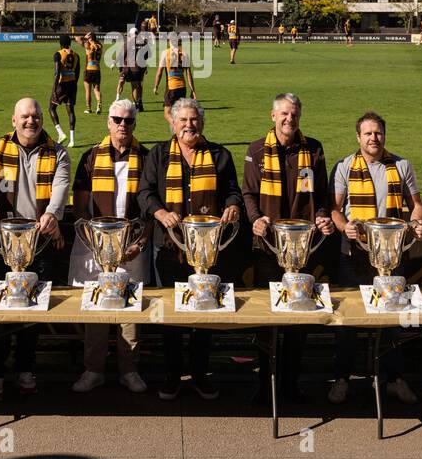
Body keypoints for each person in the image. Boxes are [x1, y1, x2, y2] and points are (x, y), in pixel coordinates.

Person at [137, 97, 243, 401]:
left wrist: (233, 206)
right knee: (170, 314)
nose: (189, 125)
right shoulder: (158, 154)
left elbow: (233, 191)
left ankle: (199, 375)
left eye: (194, 120)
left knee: (202, 316)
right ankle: (172, 375)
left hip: (206, 252)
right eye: (182, 120)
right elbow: (144, 193)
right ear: (172, 122)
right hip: (168, 248)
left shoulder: (220, 155)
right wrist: (159, 212)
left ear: (202, 123)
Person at [328, 111, 422, 405]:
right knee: (348, 321)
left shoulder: (402, 165)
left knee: (393, 321)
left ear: (385, 135)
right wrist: (344, 226)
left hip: (392, 257)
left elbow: (416, 206)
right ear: (358, 137)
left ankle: (394, 379)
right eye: (368, 133)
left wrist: (419, 224)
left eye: (378, 133)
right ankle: (342, 379)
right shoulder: (345, 166)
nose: (374, 138)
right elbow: (334, 209)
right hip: (354, 257)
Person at [241, 93, 335, 404]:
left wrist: (321, 216)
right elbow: (249, 194)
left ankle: (291, 384)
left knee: (298, 319)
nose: (289, 120)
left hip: (302, 248)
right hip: (267, 246)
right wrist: (254, 219)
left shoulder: (314, 149)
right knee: (269, 318)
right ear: (273, 116)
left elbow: (321, 195)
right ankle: (264, 385)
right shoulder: (256, 149)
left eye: (294, 115)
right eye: (283, 114)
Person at [0, 98, 71, 400]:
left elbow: (61, 188)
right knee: (0, 310)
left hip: (39, 241)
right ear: (14, 120)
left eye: (36, 116)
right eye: (25, 117)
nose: (31, 121)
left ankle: (25, 368)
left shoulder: (57, 152)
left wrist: (53, 214)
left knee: (32, 308)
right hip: (2, 242)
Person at [69, 99, 150, 394]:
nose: (122, 125)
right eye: (117, 119)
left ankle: (129, 369)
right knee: (98, 309)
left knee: (129, 309)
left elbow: (153, 205)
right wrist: (96, 241)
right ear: (108, 122)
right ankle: (94, 369)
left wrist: (139, 242)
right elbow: (79, 205)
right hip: (96, 246)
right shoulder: (91, 156)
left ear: (135, 124)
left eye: (128, 121)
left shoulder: (147, 156)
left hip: (132, 246)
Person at [154, 33, 196, 125]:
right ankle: (180, 131)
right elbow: (188, 74)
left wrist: (156, 86)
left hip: (171, 87)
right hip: (182, 87)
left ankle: (177, 129)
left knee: (167, 113)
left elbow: (159, 72)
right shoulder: (184, 53)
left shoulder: (165, 53)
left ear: (169, 41)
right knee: (179, 113)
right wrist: (192, 90)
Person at [49, 33, 79, 146]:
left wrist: (54, 90)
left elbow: (57, 73)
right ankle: (72, 140)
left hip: (62, 84)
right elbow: (77, 72)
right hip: (72, 84)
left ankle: (61, 133)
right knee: (70, 110)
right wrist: (74, 85)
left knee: (51, 108)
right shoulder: (76, 55)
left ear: (60, 43)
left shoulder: (58, 54)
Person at [79, 31, 104, 115]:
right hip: (97, 69)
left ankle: (88, 108)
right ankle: (99, 105)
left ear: (89, 38)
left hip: (89, 69)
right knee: (97, 90)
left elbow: (78, 39)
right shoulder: (100, 46)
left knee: (88, 91)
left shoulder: (88, 45)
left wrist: (85, 37)